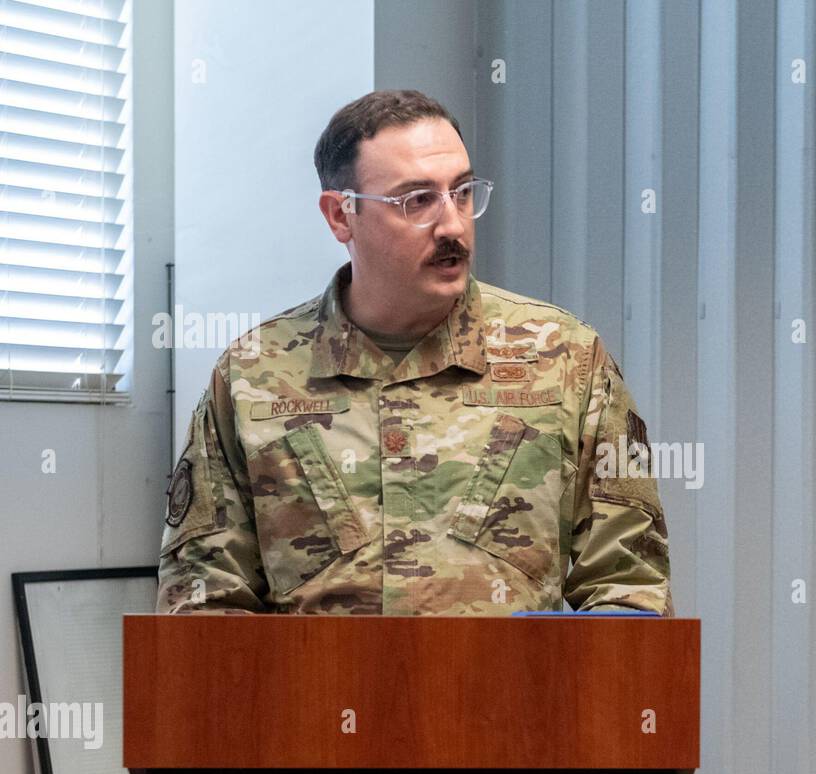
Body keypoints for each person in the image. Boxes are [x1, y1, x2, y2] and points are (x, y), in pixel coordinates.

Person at [155, 90, 672, 616]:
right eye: (417, 200)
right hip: (315, 697)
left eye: (463, 192)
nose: (452, 225)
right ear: (341, 216)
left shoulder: (564, 357)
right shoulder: (254, 375)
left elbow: (628, 587)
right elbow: (203, 605)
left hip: (506, 698)